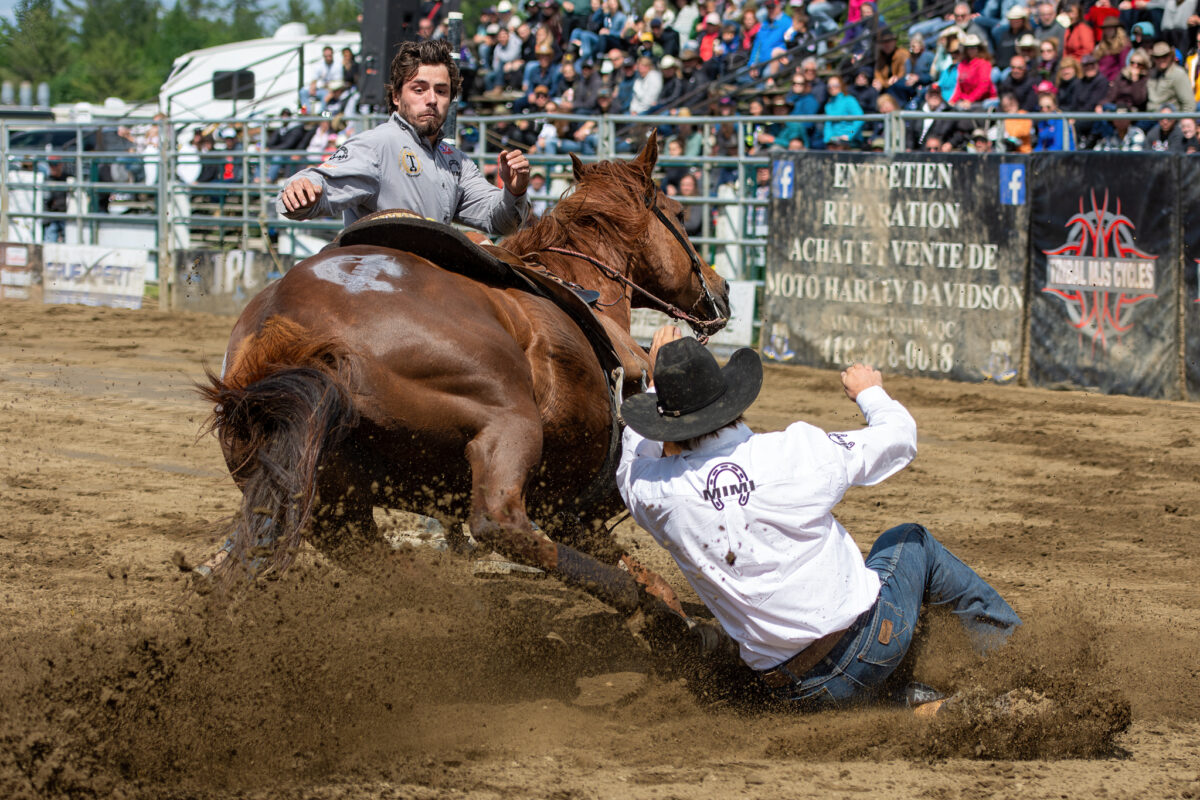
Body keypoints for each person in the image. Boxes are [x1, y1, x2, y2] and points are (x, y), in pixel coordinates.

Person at [616, 328, 1022, 709]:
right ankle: (1018, 659)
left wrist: (657, 386)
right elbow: (900, 438)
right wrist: (871, 393)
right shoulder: (793, 451)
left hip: (794, 689)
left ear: (666, 423)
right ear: (729, 402)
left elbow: (630, 468)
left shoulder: (659, 493)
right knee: (907, 540)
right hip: (869, 646)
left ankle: (907, 701)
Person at [278, 39, 529, 233]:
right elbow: (320, 185)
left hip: (431, 287)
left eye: (441, 91)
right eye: (419, 89)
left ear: (450, 100)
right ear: (396, 96)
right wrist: (301, 186)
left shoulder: (458, 162)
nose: (431, 99)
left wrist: (514, 192)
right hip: (379, 287)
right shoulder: (376, 145)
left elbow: (500, 223)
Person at [1147, 40, 1197, 112]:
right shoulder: (1151, 74)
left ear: (1170, 56)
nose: (1161, 60)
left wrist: (1182, 120)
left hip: (1169, 119)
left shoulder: (1178, 74)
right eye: (1157, 57)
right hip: (1149, 117)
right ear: (1153, 58)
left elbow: (1189, 104)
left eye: (1164, 56)